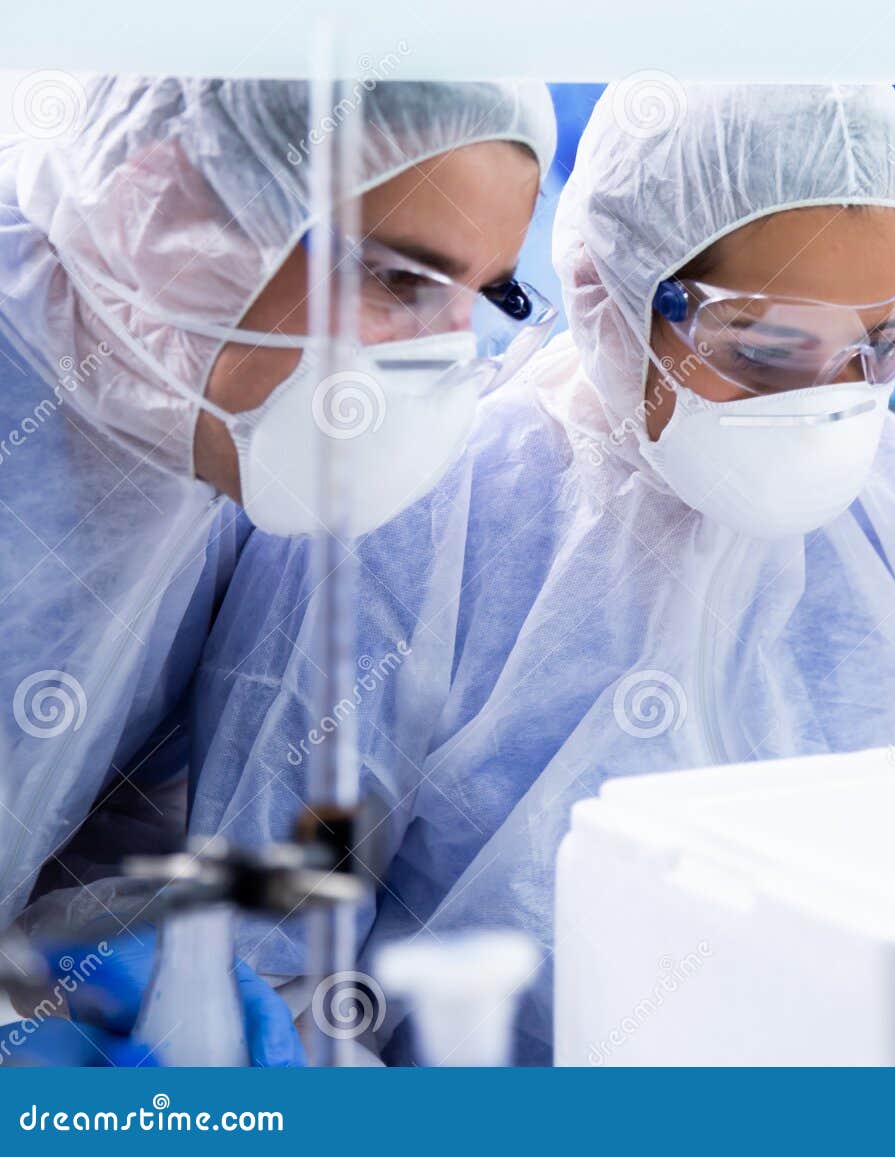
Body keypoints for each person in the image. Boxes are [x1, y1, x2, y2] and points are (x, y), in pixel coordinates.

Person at [187, 83, 895, 1063]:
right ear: (607, 292)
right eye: (764, 352)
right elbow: (270, 962)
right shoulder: (415, 520)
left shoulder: (882, 494)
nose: (832, 405)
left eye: (881, 346)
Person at [0, 77, 557, 1057]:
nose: (441, 356)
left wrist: (112, 976)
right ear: (162, 211)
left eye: (486, 294)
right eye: (397, 278)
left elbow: (114, 814)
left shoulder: (193, 447)